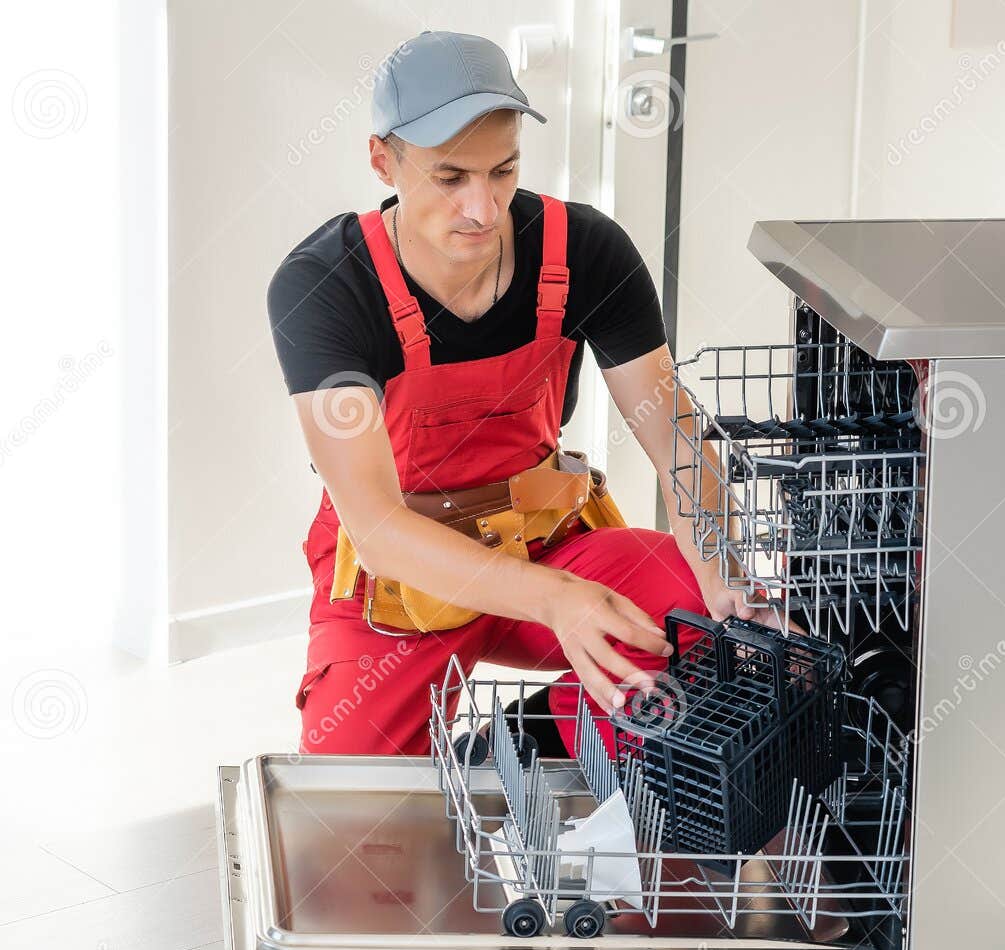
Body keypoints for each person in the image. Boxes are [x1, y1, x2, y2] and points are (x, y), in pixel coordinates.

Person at [266, 30, 758, 757]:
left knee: (698, 619)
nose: (483, 208)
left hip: (542, 547)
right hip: (396, 584)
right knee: (356, 813)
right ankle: (510, 743)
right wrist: (555, 602)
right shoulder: (328, 287)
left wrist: (729, 580)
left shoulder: (584, 251)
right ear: (383, 160)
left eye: (502, 171)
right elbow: (374, 526)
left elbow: (678, 442)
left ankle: (541, 739)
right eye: (450, 177)